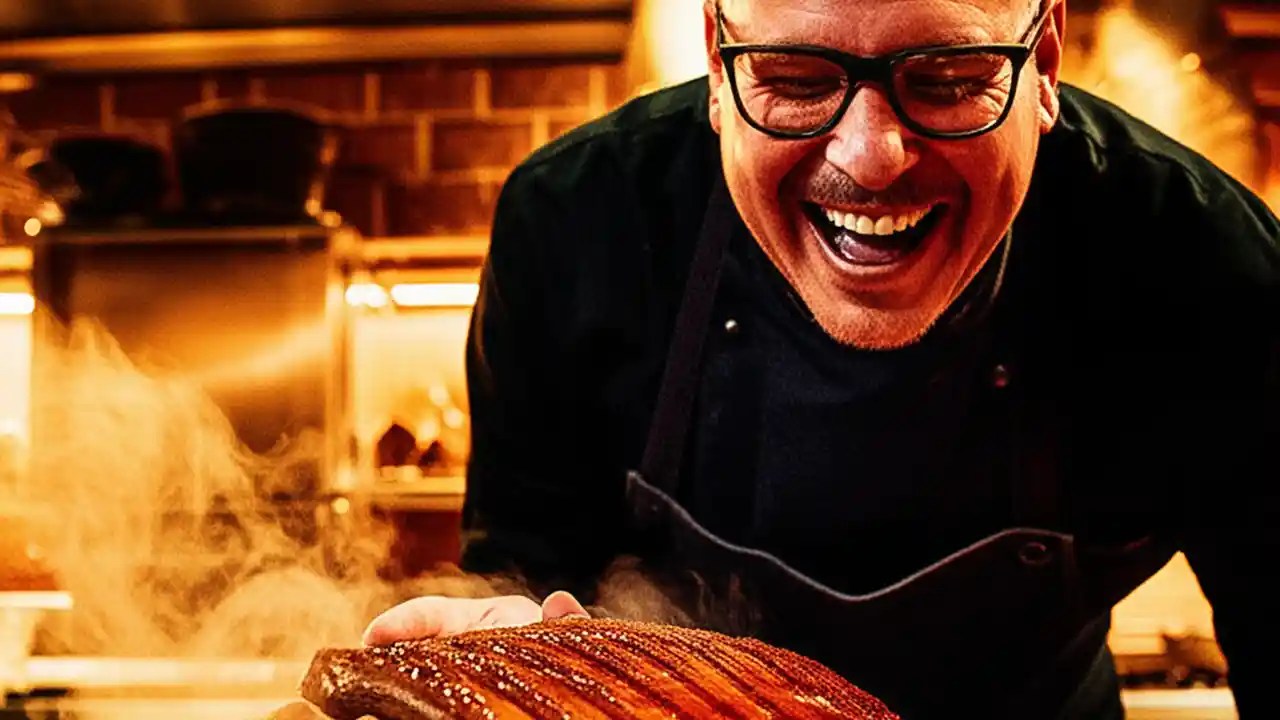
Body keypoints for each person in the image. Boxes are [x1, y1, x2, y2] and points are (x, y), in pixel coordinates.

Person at [363, 0, 1280, 717]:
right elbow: (519, 576)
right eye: (796, 78)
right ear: (719, 67)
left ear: (1042, 61)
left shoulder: (1202, 263)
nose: (872, 156)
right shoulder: (576, 228)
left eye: (949, 76)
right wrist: (504, 643)